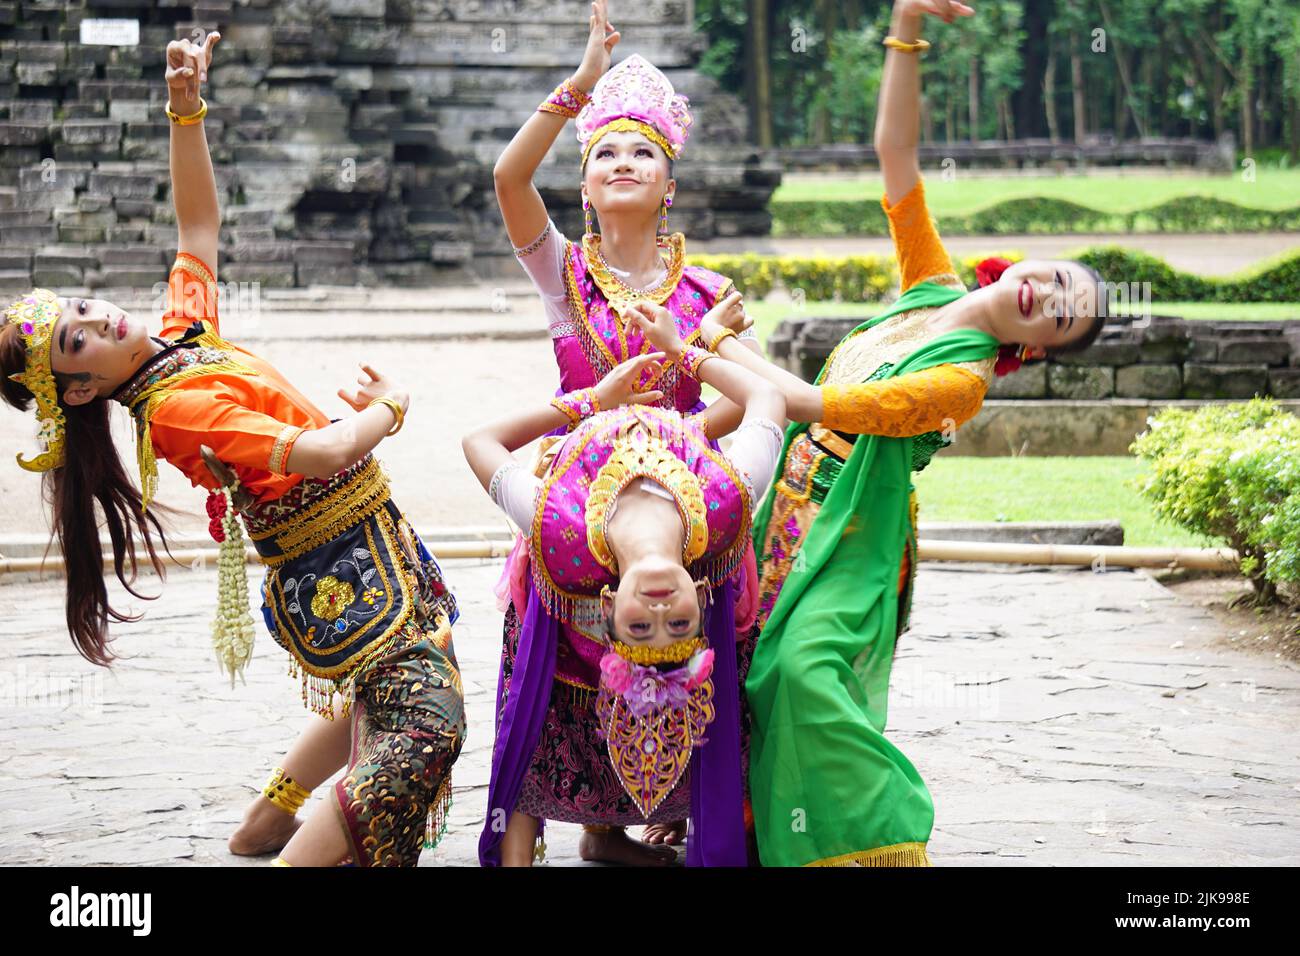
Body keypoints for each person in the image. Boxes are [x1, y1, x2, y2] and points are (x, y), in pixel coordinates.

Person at [634, 0, 1109, 866]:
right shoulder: (931, 286)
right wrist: (906, 26)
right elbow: (896, 154)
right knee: (738, 658)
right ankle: (722, 820)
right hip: (785, 498)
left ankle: (876, 835)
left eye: (1068, 317)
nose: (1056, 297)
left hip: (852, 530)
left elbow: (812, 405)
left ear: (1038, 349)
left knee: (805, 672)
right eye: (1062, 280)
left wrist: (703, 345)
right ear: (1030, 264)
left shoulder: (961, 383)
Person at [0, 31, 464, 867]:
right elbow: (318, 454)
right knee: (423, 730)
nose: (100, 315)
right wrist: (390, 409)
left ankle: (267, 822)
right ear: (77, 391)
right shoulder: (176, 406)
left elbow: (199, 223)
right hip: (336, 567)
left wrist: (185, 111)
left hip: (369, 535)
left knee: (399, 688)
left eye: (84, 306)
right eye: (78, 338)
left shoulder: (178, 338)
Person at [489, 0, 767, 861]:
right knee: (546, 668)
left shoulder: (708, 292)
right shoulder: (564, 275)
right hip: (578, 500)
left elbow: (754, 398)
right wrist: (578, 86)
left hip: (681, 503)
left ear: (669, 183)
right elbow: (507, 179)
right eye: (605, 151)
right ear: (584, 185)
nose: (622, 161)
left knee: (700, 659)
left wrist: (666, 432)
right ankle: (546, 835)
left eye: (641, 150)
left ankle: (670, 821)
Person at [463, 312, 786, 867]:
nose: (661, 611)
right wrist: (686, 347)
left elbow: (479, 440)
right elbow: (767, 396)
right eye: (678, 625)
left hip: (598, 413)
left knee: (531, 653)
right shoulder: (725, 506)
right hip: (689, 423)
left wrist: (591, 400)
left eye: (640, 627)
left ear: (610, 605)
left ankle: (598, 829)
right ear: (702, 595)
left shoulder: (558, 527)